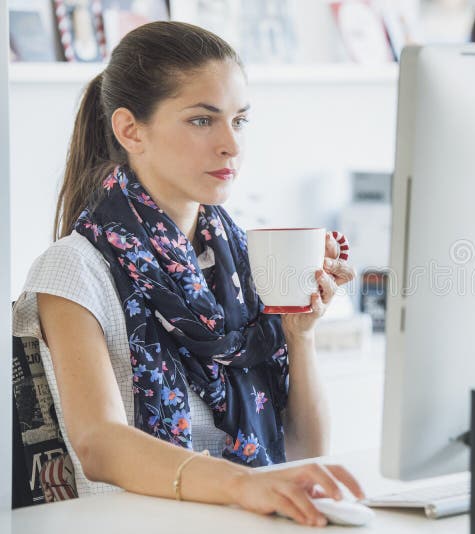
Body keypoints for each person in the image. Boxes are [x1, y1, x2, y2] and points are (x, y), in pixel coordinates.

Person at [11, 21, 362, 527]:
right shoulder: (73, 268)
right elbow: (99, 444)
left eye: (239, 121)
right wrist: (242, 485)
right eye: (202, 121)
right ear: (131, 130)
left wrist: (299, 335)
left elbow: (303, 453)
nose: (231, 146)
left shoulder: (244, 262)